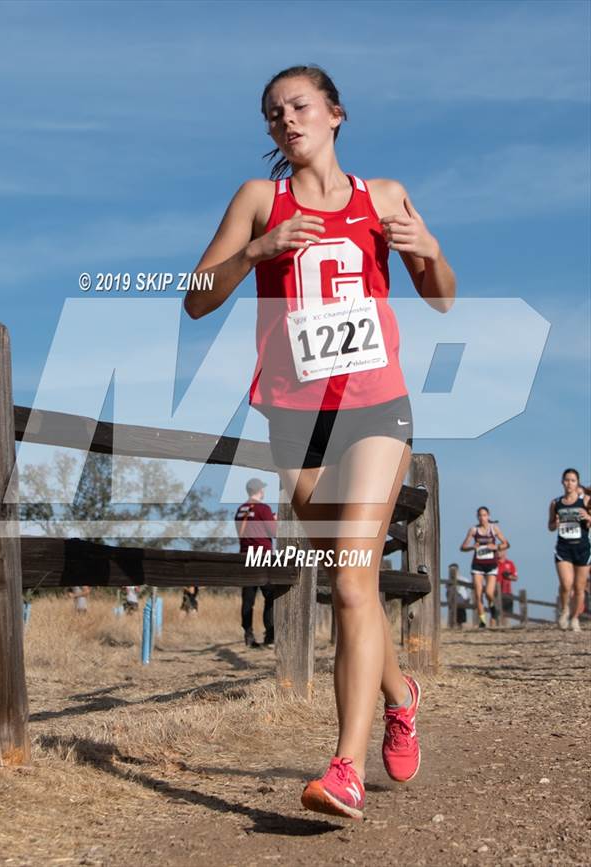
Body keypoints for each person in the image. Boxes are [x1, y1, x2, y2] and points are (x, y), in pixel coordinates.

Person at [184, 64, 456, 819]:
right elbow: (196, 299)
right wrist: (255, 252)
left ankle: (344, 768)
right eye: (273, 114)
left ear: (335, 113)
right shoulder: (257, 200)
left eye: (298, 106)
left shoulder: (385, 196)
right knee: (351, 577)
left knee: (349, 581)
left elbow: (440, 297)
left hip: (376, 405)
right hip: (295, 416)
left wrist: (427, 245)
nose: (285, 120)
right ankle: (401, 694)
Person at [234, 478, 277, 647]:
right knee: (271, 596)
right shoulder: (263, 509)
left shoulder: (240, 509)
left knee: (248, 598)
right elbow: (274, 532)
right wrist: (274, 519)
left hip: (245, 556)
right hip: (263, 556)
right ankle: (270, 633)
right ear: (260, 490)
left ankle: (248, 634)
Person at [549, 468, 591, 632]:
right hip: (563, 548)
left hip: (582, 549)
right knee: (566, 585)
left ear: (577, 483)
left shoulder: (586, 500)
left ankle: (574, 618)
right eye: (567, 480)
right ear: (562, 482)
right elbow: (550, 526)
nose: (569, 483)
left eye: (573, 480)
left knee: (580, 588)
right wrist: (556, 523)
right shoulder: (556, 503)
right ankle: (565, 609)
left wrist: (588, 517)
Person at [460, 507, 509, 628]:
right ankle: (482, 621)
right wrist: (472, 547)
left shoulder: (494, 529)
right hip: (477, 565)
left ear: (489, 516)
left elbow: (506, 544)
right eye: (480, 515)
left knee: (488, 593)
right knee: (478, 593)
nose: (482, 518)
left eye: (485, 515)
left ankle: (492, 606)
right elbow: (462, 547)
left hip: (491, 565)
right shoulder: (473, 530)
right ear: (477, 517)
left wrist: (496, 547)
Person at [495, 549, 518, 626]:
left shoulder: (510, 563)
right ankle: (496, 629)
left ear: (505, 552)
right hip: (495, 592)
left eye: (500, 550)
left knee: (506, 615)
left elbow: (515, 578)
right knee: (495, 613)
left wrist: (508, 576)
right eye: (497, 551)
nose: (498, 552)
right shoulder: (493, 563)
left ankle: (505, 629)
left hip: (507, 592)